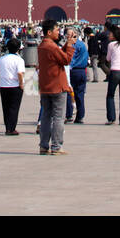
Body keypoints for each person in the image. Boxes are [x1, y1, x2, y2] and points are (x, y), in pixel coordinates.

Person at [37, 20, 75, 154]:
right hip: (57, 86)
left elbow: (57, 57)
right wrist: (70, 46)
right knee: (58, 117)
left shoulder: (42, 46)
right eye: (57, 30)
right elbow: (66, 60)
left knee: (46, 117)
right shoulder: (51, 46)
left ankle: (43, 146)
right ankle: (56, 146)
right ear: (49, 32)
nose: (58, 32)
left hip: (46, 86)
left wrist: (66, 45)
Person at [0, 37, 25, 135]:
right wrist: (21, 84)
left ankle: (8, 127)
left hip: (3, 86)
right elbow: (20, 73)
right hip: (15, 86)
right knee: (14, 108)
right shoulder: (19, 60)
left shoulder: (2, 59)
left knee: (6, 108)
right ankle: (11, 128)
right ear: (18, 49)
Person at [105, 26, 120, 127]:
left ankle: (111, 118)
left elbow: (108, 58)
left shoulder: (111, 45)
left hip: (115, 71)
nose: (108, 35)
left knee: (110, 95)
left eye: (110, 34)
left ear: (114, 35)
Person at [66, 27, 89, 125]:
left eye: (68, 34)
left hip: (74, 71)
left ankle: (69, 114)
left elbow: (70, 59)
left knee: (69, 92)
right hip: (82, 71)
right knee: (80, 94)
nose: (67, 36)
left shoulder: (73, 45)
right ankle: (80, 116)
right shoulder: (83, 45)